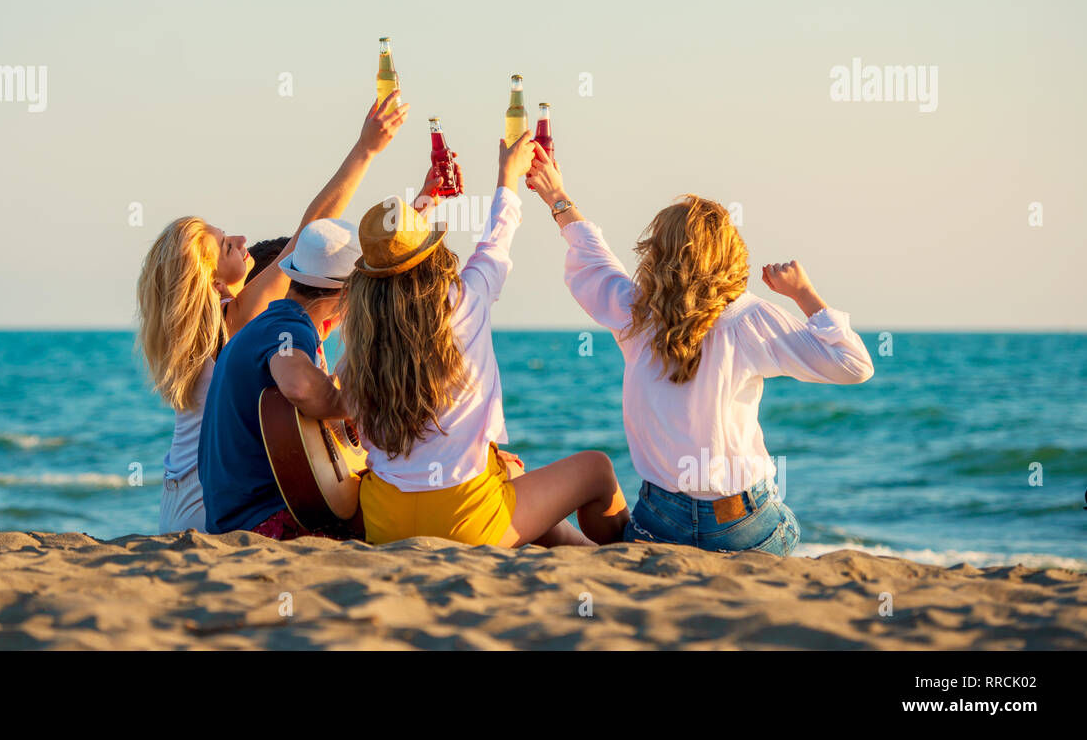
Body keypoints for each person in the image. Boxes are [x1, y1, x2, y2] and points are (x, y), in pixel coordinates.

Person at [522, 151, 875, 555]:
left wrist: (557, 198)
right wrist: (803, 293)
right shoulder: (748, 318)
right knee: (786, 524)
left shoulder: (634, 313)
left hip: (660, 522)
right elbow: (855, 365)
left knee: (622, 524)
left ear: (657, 252)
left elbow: (593, 257)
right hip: (739, 524)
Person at [337, 134, 630, 548]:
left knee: (514, 477)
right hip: (465, 520)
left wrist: (426, 199)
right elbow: (496, 241)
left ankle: (582, 551)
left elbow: (399, 261)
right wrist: (506, 177)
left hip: (385, 520)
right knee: (598, 469)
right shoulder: (463, 301)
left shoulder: (361, 343)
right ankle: (620, 560)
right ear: (432, 257)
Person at [136, 93, 407, 534]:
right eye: (227, 246)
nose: (242, 240)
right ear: (214, 284)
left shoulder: (206, 335)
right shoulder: (234, 319)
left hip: (177, 497)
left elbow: (330, 300)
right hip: (208, 503)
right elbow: (308, 233)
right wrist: (366, 150)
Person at [197, 219, 363, 538]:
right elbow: (299, 387)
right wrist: (358, 405)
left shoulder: (270, 323)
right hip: (261, 521)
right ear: (347, 294)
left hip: (230, 519)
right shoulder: (288, 328)